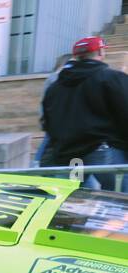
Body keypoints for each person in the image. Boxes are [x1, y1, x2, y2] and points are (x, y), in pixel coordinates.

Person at [41, 36, 128, 190]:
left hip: (71, 156)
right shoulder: (111, 78)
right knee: (119, 199)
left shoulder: (55, 87)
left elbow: (47, 122)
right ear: (101, 52)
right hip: (102, 152)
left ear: (76, 56)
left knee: (76, 198)